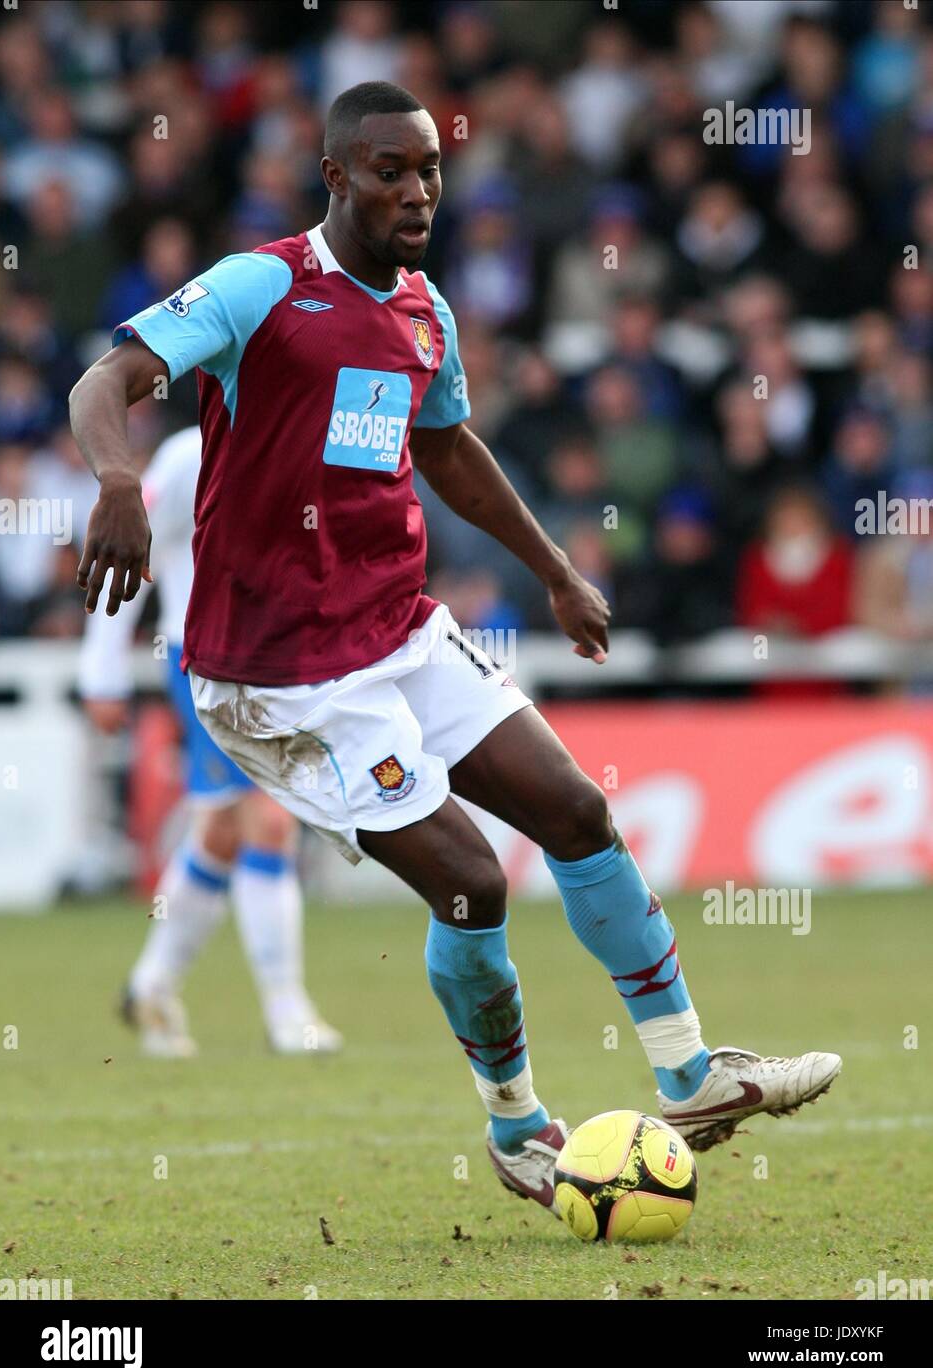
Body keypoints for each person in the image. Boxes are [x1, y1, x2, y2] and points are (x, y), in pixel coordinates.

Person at [70, 82, 841, 1214]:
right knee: (474, 883)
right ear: (337, 177)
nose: (418, 188)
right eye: (390, 169)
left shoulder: (424, 309)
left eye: (429, 168)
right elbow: (106, 378)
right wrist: (120, 480)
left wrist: (556, 570)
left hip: (396, 629)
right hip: (279, 681)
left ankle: (690, 1073)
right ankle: (519, 1125)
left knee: (577, 811)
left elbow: (449, 447)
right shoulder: (263, 284)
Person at [79, 425, 341, 1059]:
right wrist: (103, 671)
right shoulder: (189, 455)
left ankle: (151, 986)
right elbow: (127, 550)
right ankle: (287, 1011)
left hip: (275, 665)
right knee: (271, 823)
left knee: (222, 833)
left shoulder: (299, 444)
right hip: (204, 665)